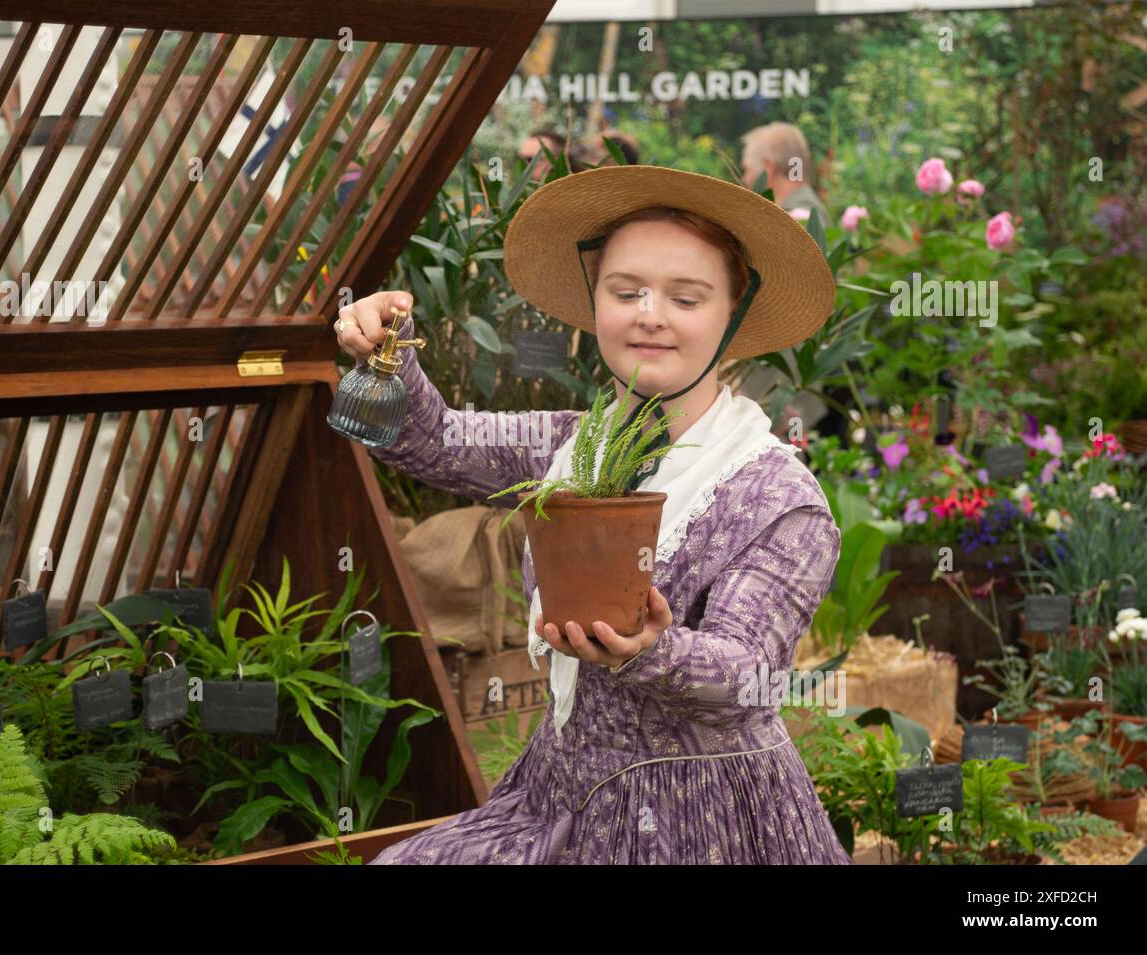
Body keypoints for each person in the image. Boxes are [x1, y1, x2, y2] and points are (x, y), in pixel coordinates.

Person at [331, 164, 848, 864]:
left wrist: (653, 651)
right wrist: (385, 350)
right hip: (563, 794)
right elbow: (436, 442)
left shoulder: (775, 496)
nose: (648, 313)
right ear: (595, 298)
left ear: (734, 315)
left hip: (702, 820)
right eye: (625, 290)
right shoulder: (572, 445)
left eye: (686, 297)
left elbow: (748, 675)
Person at [740, 121, 833, 229]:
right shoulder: (811, 211)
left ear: (768, 168)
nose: (744, 179)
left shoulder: (796, 221)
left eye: (747, 170)